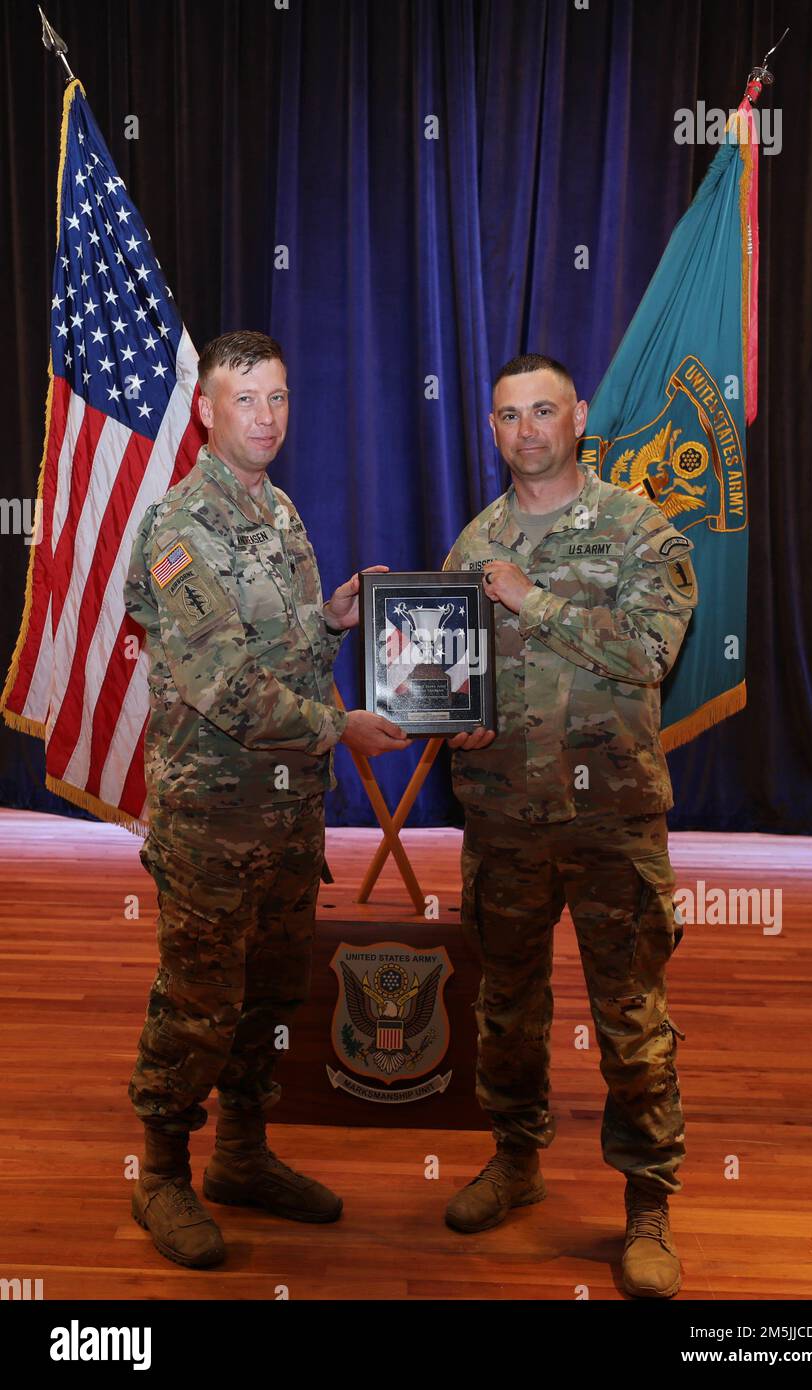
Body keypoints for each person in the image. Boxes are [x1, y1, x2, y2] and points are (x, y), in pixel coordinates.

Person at [124, 330, 409, 1268]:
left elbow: (280, 660)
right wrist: (342, 728)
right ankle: (162, 1173)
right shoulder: (178, 531)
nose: (267, 417)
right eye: (246, 400)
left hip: (289, 816)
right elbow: (229, 691)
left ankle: (241, 1157)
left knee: (270, 996)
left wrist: (330, 623)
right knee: (199, 1000)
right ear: (206, 410)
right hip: (213, 816)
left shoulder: (280, 514)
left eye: (279, 398)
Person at [441, 353, 698, 1298]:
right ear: (493, 427)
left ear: (578, 414)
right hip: (503, 815)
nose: (527, 430)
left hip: (612, 822)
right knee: (505, 1006)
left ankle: (647, 1203)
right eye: (508, 415)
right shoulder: (473, 544)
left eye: (543, 410)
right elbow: (453, 674)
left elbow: (646, 654)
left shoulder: (641, 529)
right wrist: (449, 715)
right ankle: (515, 1160)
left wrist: (533, 597)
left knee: (630, 1019)